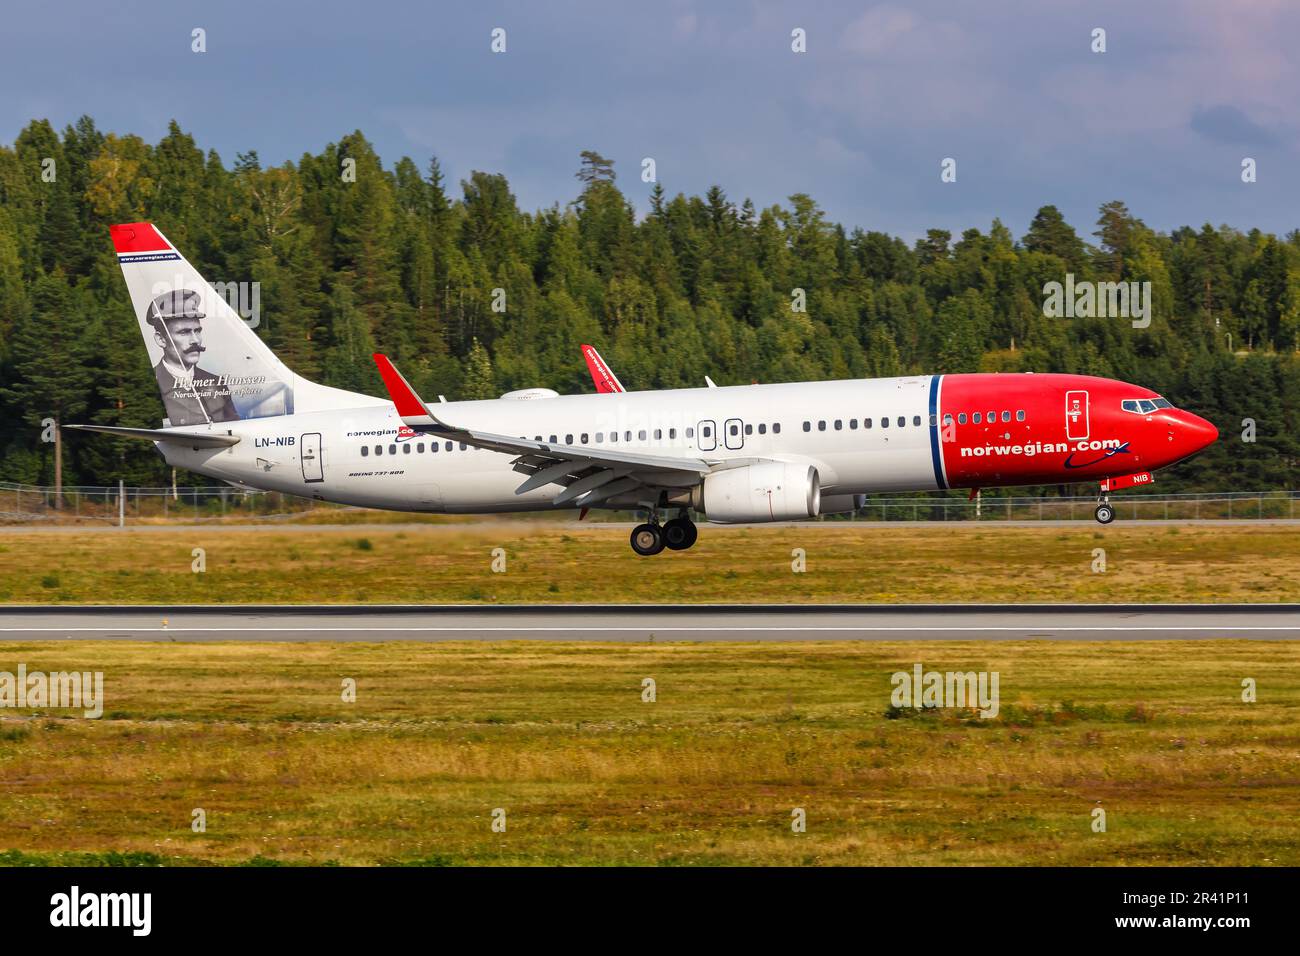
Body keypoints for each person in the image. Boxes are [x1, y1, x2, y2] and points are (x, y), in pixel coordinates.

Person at [146, 289, 239, 425]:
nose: (195, 340)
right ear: (161, 340)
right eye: (184, 332)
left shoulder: (216, 382)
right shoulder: (152, 383)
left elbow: (235, 426)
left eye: (197, 331)